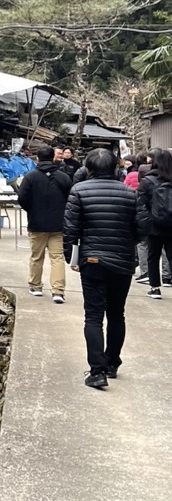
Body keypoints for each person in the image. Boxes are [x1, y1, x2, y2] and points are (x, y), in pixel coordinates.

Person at [64, 147, 148, 389]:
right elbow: (142, 229)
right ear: (115, 167)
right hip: (122, 261)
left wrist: (74, 258)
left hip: (92, 261)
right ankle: (112, 363)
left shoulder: (78, 190)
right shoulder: (130, 194)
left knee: (93, 316)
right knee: (116, 313)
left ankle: (97, 371)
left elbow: (70, 230)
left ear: (88, 168)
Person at [17, 144, 72, 302]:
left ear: (38, 158)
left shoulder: (30, 176)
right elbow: (70, 199)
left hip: (36, 223)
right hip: (58, 224)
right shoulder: (63, 177)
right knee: (57, 258)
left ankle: (35, 286)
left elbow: (22, 198)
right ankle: (58, 291)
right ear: (53, 157)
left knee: (36, 257)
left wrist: (32, 210)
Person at [137, 148, 172, 299]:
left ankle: (155, 287)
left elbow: (140, 204)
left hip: (154, 226)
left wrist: (144, 224)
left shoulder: (147, 180)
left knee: (153, 256)